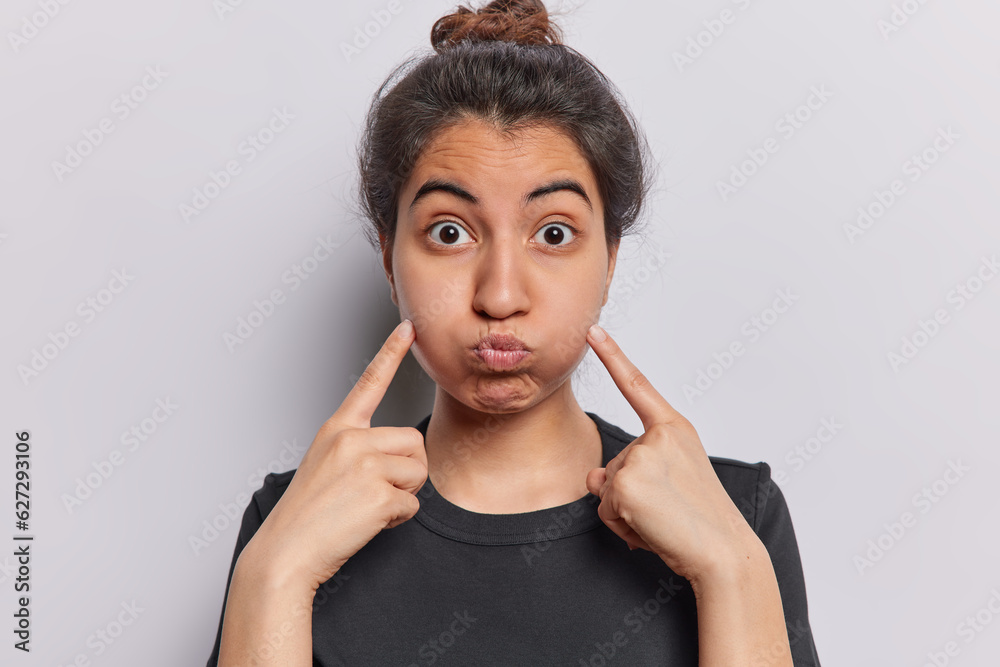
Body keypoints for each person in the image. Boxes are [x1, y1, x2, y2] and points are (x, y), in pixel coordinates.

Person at [206, 1, 821, 664]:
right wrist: (275, 574)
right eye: (450, 232)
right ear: (390, 260)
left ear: (609, 261)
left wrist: (730, 567)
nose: (500, 294)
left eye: (553, 233)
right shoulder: (293, 521)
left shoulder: (732, 513)